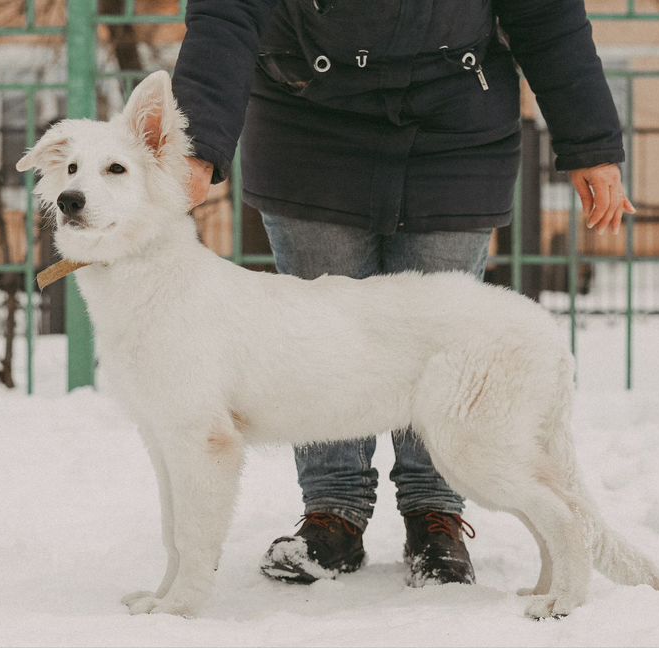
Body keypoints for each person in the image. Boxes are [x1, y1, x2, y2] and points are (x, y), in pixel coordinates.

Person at [169, 0, 634, 586]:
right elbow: (228, 12)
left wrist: (592, 144)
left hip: (455, 122)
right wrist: (197, 141)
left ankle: (435, 515)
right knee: (318, 342)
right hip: (308, 116)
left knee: (444, 344)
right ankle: (331, 513)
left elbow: (547, 16)